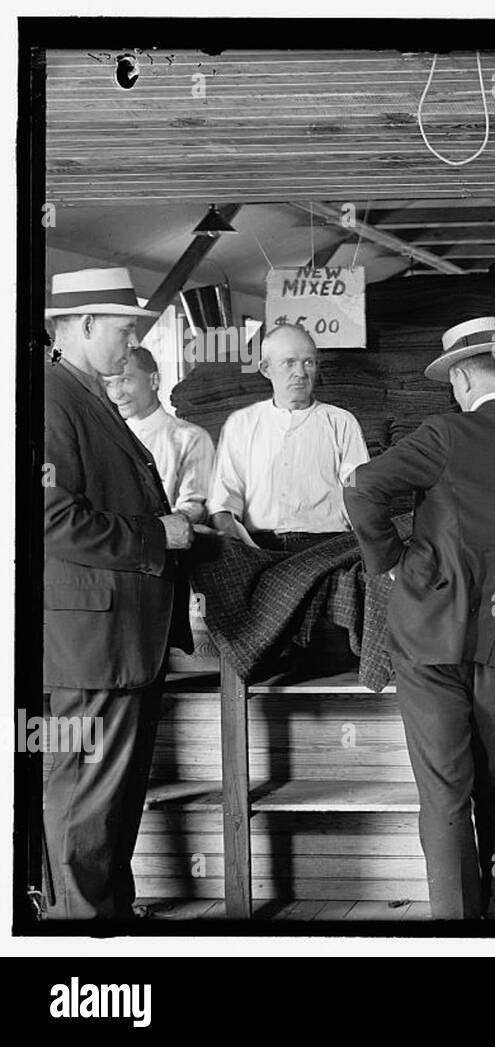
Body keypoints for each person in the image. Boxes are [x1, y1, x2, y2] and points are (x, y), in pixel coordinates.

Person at [345, 316, 495, 920]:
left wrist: (393, 562)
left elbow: (362, 488)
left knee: (445, 790)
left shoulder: (445, 433)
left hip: (432, 631)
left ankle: (457, 929)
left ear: (460, 377)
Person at [42, 267, 194, 919]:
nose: (131, 342)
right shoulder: (49, 397)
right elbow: (46, 516)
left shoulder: (82, 392)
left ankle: (108, 913)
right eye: (124, 327)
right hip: (91, 639)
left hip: (118, 635)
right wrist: (154, 534)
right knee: (84, 798)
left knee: (112, 796)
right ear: (83, 326)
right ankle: (84, 933)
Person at [208, 323, 369, 553]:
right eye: (289, 362)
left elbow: (355, 486)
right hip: (258, 547)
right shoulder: (241, 424)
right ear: (266, 369)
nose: (301, 373)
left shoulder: (341, 422)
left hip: (328, 546)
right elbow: (224, 500)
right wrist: (248, 552)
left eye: (309, 362)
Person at [104, 343, 216, 523]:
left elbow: (195, 508)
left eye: (126, 380)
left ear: (154, 380)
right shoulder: (106, 439)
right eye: (109, 384)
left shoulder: (191, 438)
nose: (117, 394)